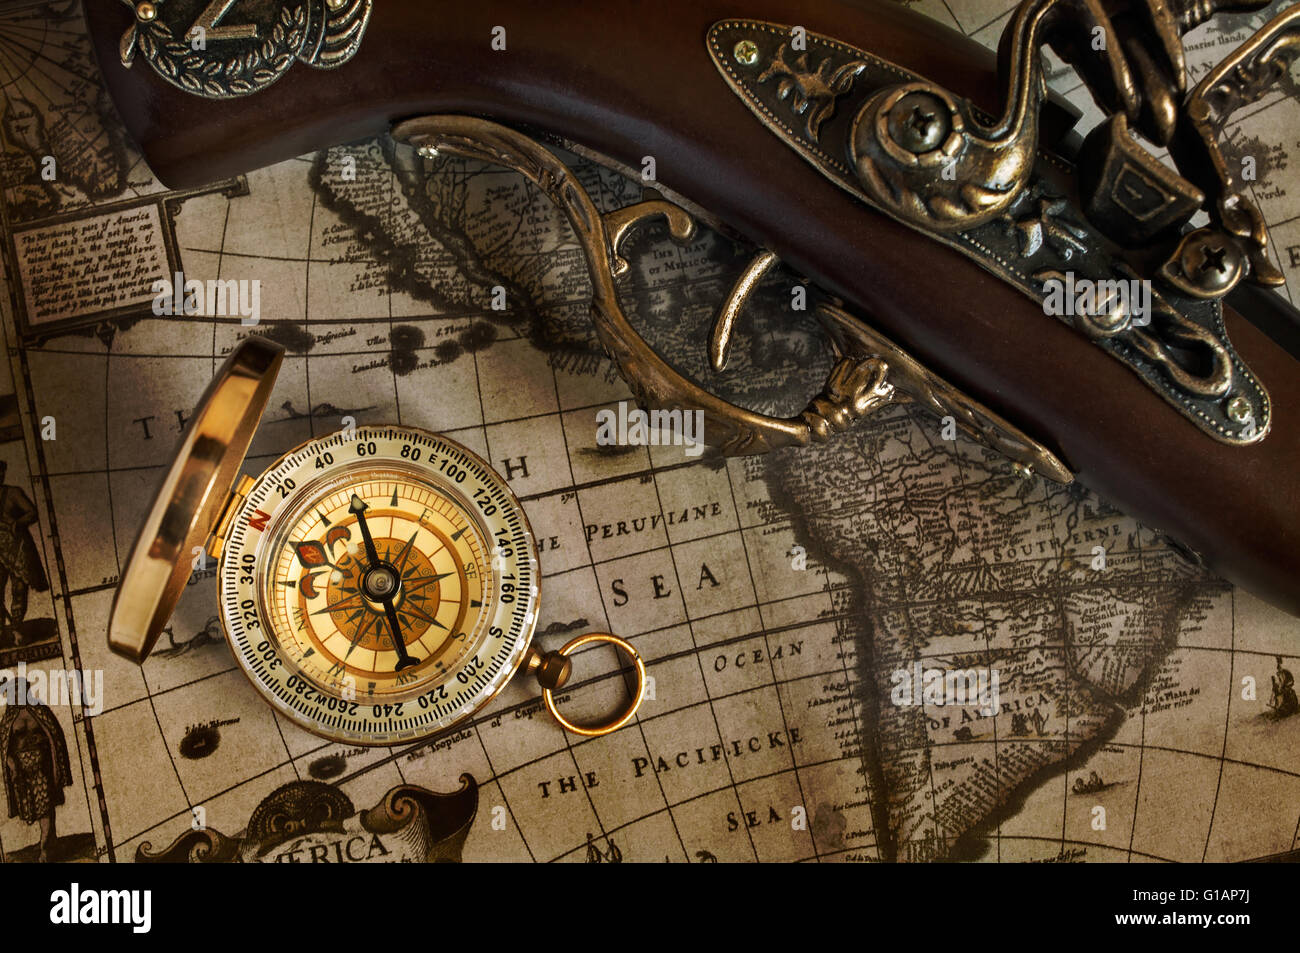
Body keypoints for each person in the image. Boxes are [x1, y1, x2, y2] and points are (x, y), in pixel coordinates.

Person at [1, 679, 72, 862]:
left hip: (42, 769)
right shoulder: (9, 717)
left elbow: (54, 736)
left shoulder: (39, 711)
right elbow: (4, 748)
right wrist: (12, 766)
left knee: (45, 806)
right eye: (13, 692)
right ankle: (51, 842)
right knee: (33, 809)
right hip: (23, 774)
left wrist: (56, 767)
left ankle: (46, 848)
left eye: (19, 691)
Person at [0, 460, 49, 635]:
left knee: (19, 589)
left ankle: (16, 628)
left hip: (18, 549)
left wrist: (17, 523)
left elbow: (32, 512)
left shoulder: (13, 493)